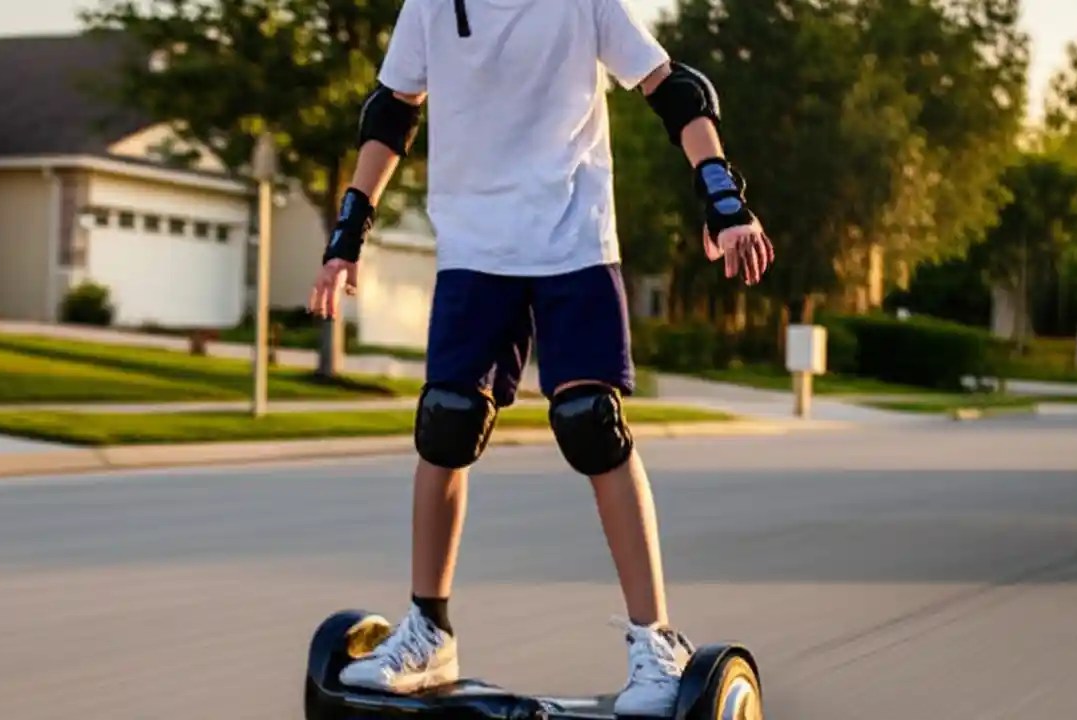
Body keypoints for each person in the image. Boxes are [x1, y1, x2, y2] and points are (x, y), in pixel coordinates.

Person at [306, 0, 773, 715]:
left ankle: (656, 643)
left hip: (573, 240)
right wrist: (346, 236)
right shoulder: (429, 4)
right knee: (446, 421)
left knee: (592, 422)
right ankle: (428, 631)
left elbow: (673, 88)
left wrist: (723, 198)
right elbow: (391, 111)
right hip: (475, 246)